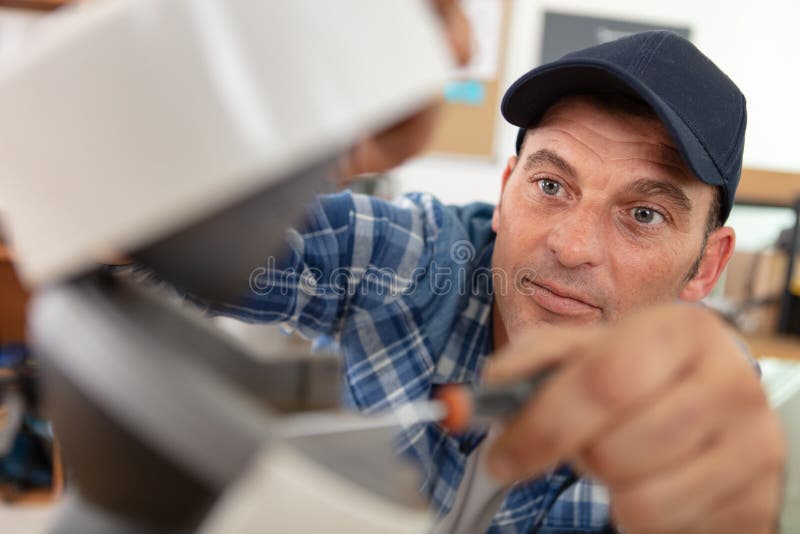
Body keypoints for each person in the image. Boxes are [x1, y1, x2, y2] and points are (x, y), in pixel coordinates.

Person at [190, 31, 788, 533]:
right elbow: (133, 243)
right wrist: (286, 150)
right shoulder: (411, 259)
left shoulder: (691, 412)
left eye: (644, 214)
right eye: (551, 185)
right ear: (505, 191)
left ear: (707, 265)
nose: (571, 246)